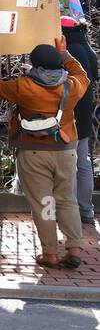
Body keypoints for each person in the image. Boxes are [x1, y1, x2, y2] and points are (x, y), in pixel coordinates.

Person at [0, 36, 90, 269]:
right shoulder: (70, 85)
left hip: (33, 152)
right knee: (67, 199)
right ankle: (74, 247)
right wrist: (66, 54)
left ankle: (50, 253)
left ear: (35, 65)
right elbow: (83, 76)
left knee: (44, 202)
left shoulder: (23, 86)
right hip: (66, 149)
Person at [62, 18, 98, 221]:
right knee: (82, 162)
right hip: (85, 112)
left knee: (70, 163)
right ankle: (86, 209)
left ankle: (72, 209)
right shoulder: (87, 48)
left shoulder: (70, 52)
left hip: (70, 112)